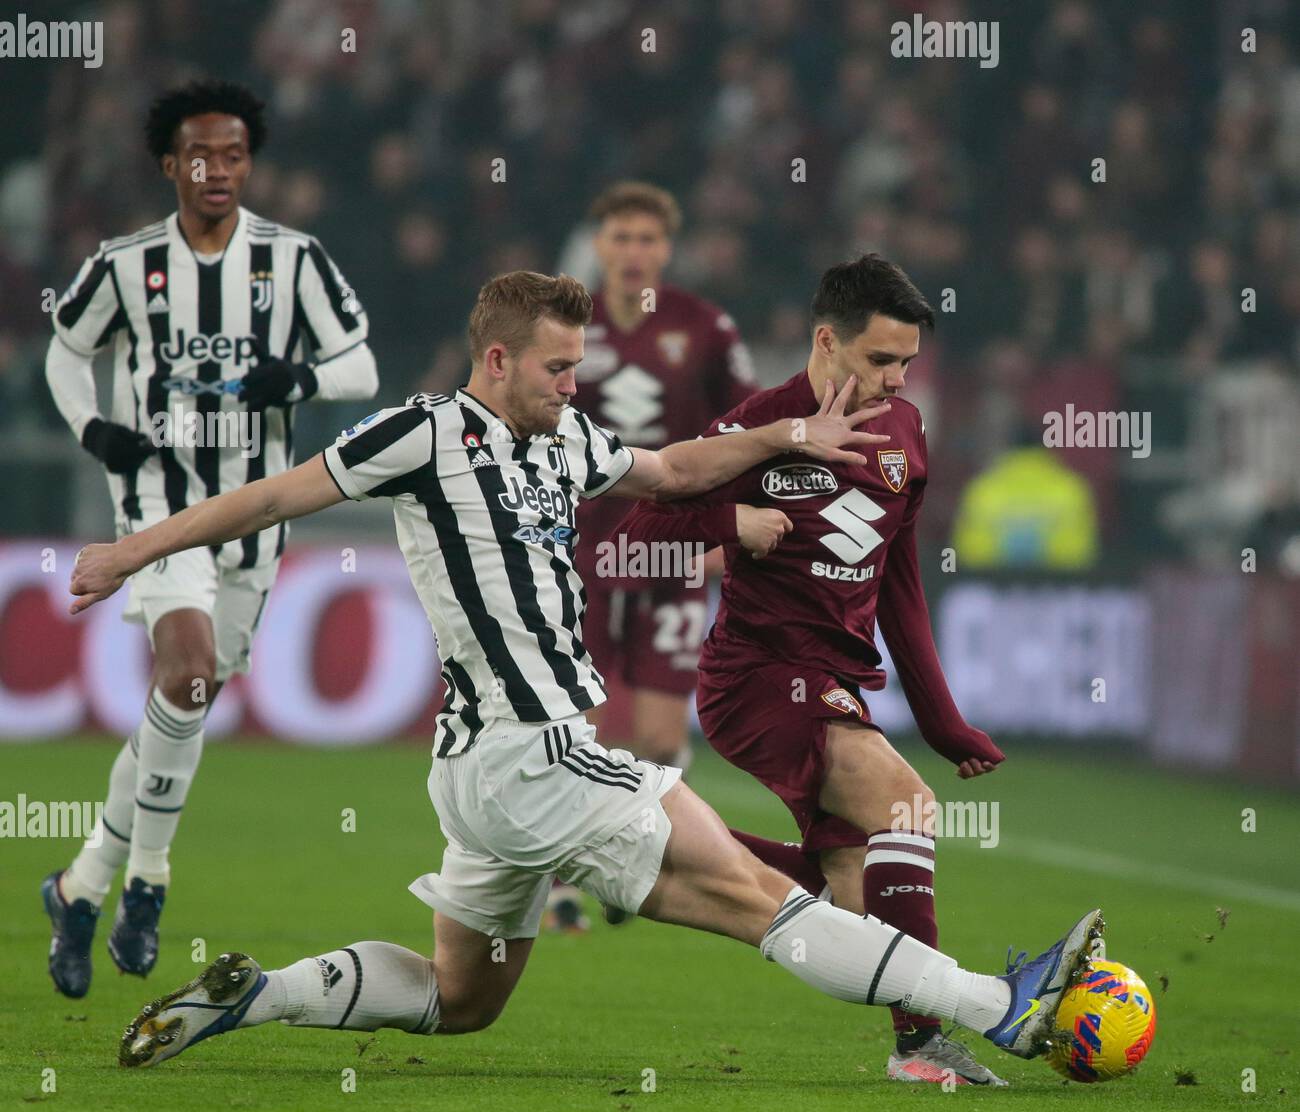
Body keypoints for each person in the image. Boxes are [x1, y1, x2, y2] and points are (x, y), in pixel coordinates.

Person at [67, 269, 1101, 1070]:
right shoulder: (424, 434)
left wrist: (792, 430)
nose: (573, 387)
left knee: (458, 999)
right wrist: (132, 551)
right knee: (758, 898)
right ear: (496, 359)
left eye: (578, 369)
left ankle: (264, 994)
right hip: (537, 755)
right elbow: (268, 497)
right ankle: (995, 1007)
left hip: (483, 773)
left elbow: (673, 468)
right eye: (557, 370)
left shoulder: (562, 439)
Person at [616, 254, 1010, 1084]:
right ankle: (922, 1044)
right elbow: (636, 535)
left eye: (907, 362)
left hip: (837, 687)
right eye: (879, 360)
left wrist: (942, 719)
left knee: (847, 893)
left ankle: (629, 848)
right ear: (827, 342)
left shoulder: (905, 430)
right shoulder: (760, 424)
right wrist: (732, 522)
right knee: (906, 803)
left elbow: (900, 582)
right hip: (757, 677)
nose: (896, 380)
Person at [42, 79, 378, 997]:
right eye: (200, 154)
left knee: (181, 704)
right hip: (156, 502)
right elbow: (67, 348)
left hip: (256, 511)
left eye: (232, 154)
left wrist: (299, 381)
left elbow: (361, 361)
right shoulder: (124, 263)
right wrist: (91, 428)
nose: (217, 169)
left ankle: (81, 886)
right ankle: (148, 880)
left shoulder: (293, 260)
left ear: (249, 162)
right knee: (187, 676)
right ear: (169, 164)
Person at [552, 180, 760, 930]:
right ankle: (568, 878)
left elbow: (748, 424)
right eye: (621, 237)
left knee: (662, 737)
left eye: (648, 239)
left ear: (666, 249)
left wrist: (727, 525)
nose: (634, 251)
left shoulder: (703, 326)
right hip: (581, 556)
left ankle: (638, 857)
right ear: (598, 243)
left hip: (672, 553)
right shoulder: (563, 324)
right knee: (588, 725)